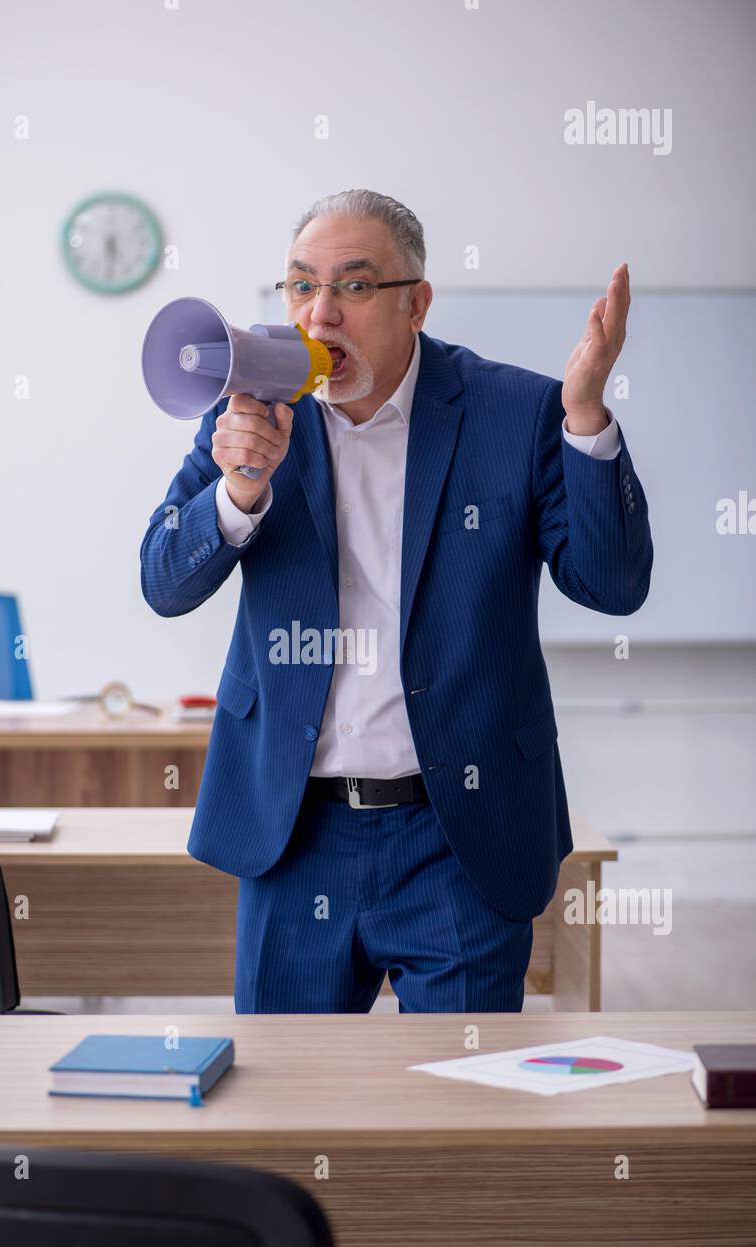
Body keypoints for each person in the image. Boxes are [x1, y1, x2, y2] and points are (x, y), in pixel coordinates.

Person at [140, 188, 652, 1014]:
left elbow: (613, 585)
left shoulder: (513, 410)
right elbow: (163, 582)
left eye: (351, 285)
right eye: (300, 286)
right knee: (285, 1110)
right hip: (294, 829)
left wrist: (584, 415)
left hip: (457, 831)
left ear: (414, 302)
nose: (318, 314)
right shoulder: (251, 409)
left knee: (459, 1108)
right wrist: (237, 493)